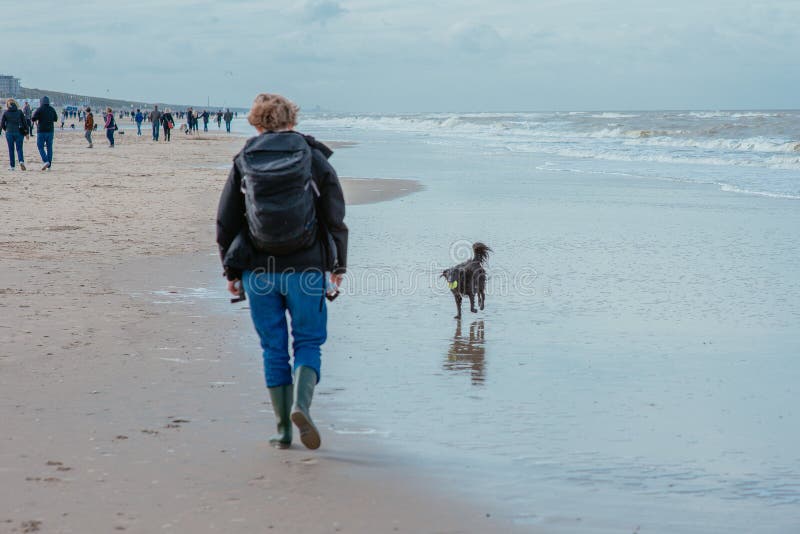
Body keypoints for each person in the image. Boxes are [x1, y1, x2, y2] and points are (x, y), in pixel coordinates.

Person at [216, 93, 348, 450]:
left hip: (258, 271)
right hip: (306, 269)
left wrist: (231, 271)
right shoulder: (312, 156)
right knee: (308, 342)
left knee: (273, 348)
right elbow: (335, 215)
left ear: (257, 122)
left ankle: (283, 431)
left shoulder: (245, 158)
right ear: (292, 119)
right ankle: (301, 405)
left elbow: (227, 220)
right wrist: (338, 265)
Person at [31, 96, 58, 171]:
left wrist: (38, 118)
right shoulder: (52, 109)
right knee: (49, 147)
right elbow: (56, 119)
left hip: (41, 131)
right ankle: (49, 166)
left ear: (41, 102)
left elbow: (33, 118)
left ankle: (46, 161)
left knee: (40, 146)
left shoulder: (39, 109)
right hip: (50, 131)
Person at [1, 98, 28, 171]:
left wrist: (6, 129)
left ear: (7, 104)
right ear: (16, 103)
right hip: (19, 132)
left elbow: (2, 124)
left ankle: (12, 166)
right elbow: (24, 122)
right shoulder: (20, 112)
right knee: (19, 148)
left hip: (9, 132)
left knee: (11, 149)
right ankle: (21, 161)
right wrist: (27, 133)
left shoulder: (6, 112)